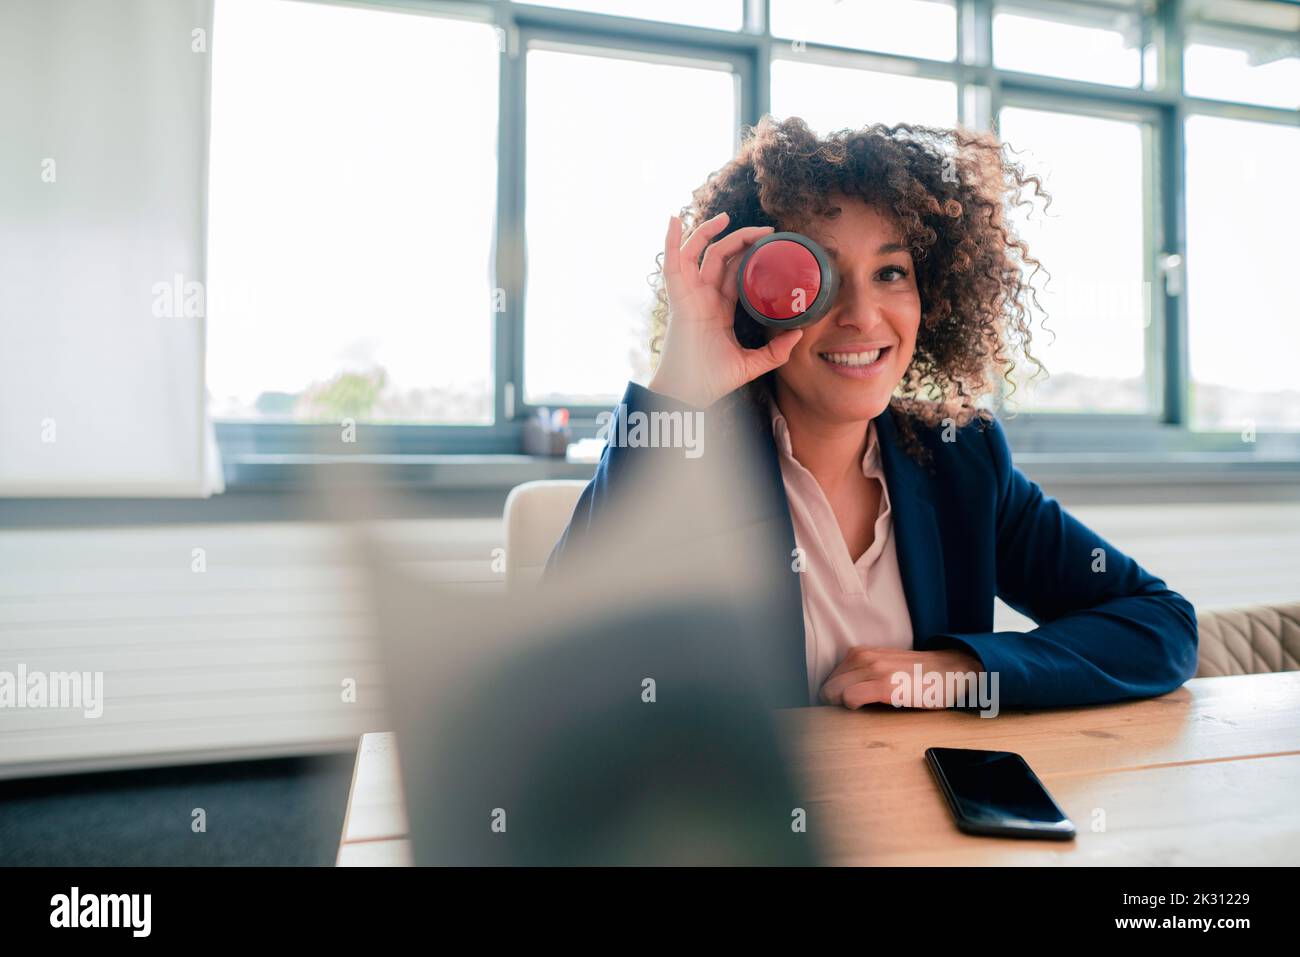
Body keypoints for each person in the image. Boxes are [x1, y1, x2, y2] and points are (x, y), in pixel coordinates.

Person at [546, 116, 1197, 712]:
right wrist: (679, 385)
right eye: (819, 276)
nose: (862, 315)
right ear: (762, 299)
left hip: (919, 816)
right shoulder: (691, 461)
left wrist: (957, 672)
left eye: (891, 273)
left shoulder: (959, 459)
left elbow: (1160, 624)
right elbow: (559, 662)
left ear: (929, 294)